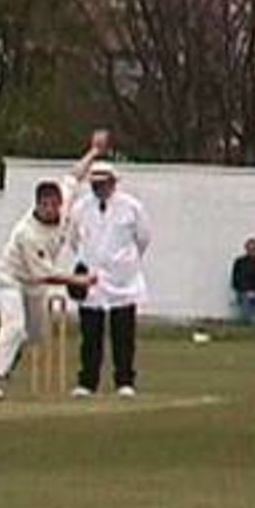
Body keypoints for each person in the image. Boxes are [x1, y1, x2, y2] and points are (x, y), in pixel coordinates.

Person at [0, 132, 104, 401]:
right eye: (45, 205)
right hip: (12, 278)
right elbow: (45, 275)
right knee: (14, 327)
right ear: (37, 205)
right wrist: (77, 281)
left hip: (34, 286)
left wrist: (93, 151)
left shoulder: (65, 203)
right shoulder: (27, 233)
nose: (51, 209)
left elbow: (74, 175)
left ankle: (8, 360)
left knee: (35, 337)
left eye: (54, 204)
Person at [69, 153, 151, 398]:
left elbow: (143, 238)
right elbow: (74, 239)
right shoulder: (81, 207)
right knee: (90, 335)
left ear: (114, 182)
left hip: (122, 279)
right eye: (95, 183)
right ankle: (87, 381)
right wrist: (88, 261)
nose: (99, 188)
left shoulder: (132, 206)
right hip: (92, 279)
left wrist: (124, 262)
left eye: (104, 183)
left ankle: (125, 381)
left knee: (123, 334)